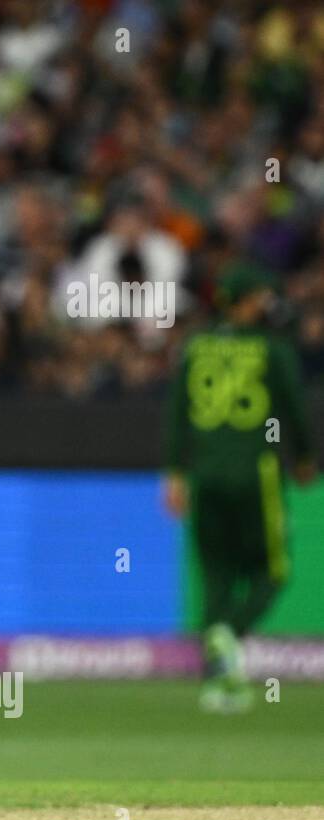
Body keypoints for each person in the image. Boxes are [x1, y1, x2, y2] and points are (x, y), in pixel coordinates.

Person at [165, 263, 317, 714]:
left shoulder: (195, 348)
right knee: (274, 570)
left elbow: (177, 412)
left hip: (206, 474)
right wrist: (305, 458)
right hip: (256, 472)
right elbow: (293, 406)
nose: (265, 306)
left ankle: (218, 677)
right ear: (243, 302)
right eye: (258, 298)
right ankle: (229, 635)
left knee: (215, 575)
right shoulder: (272, 349)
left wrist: (175, 472)